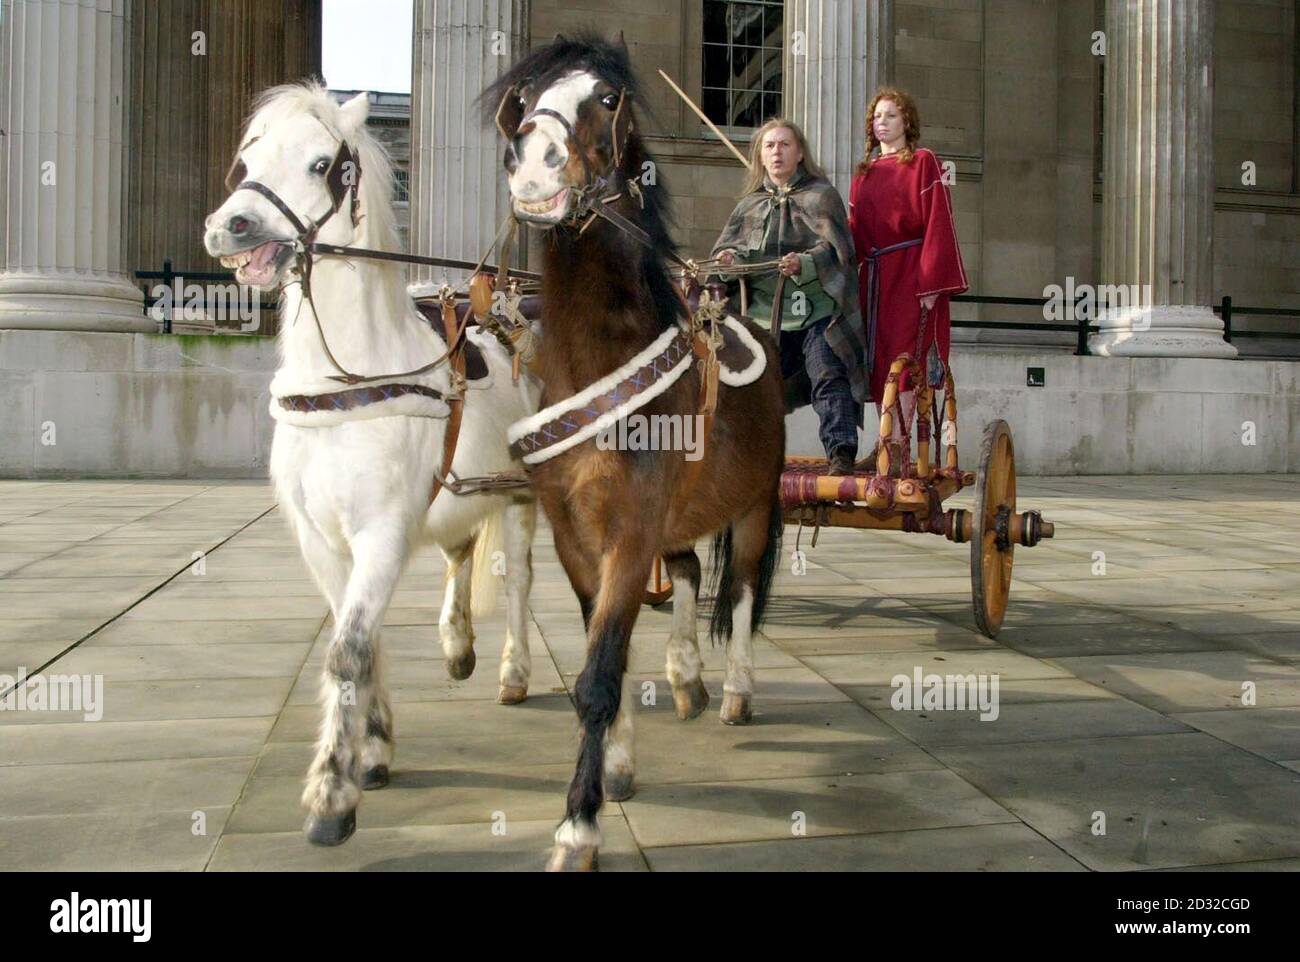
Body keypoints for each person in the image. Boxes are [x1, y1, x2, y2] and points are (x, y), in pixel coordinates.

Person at [711, 118, 867, 477]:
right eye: (769, 146)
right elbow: (727, 252)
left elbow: (838, 250)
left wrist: (806, 263)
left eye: (784, 145)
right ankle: (745, 457)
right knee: (745, 383)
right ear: (760, 157)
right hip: (764, 318)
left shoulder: (822, 196)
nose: (776, 152)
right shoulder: (748, 206)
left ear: (799, 153)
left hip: (817, 313)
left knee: (828, 372)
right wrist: (727, 262)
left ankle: (841, 452)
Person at [848, 88, 967, 463]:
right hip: (877, 278)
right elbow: (854, 231)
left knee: (906, 358)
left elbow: (937, 222)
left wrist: (931, 282)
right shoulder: (863, 174)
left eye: (890, 116)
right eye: (877, 118)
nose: (881, 123)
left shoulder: (922, 161)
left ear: (907, 122)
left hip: (913, 276)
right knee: (880, 359)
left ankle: (895, 445)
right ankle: (887, 439)